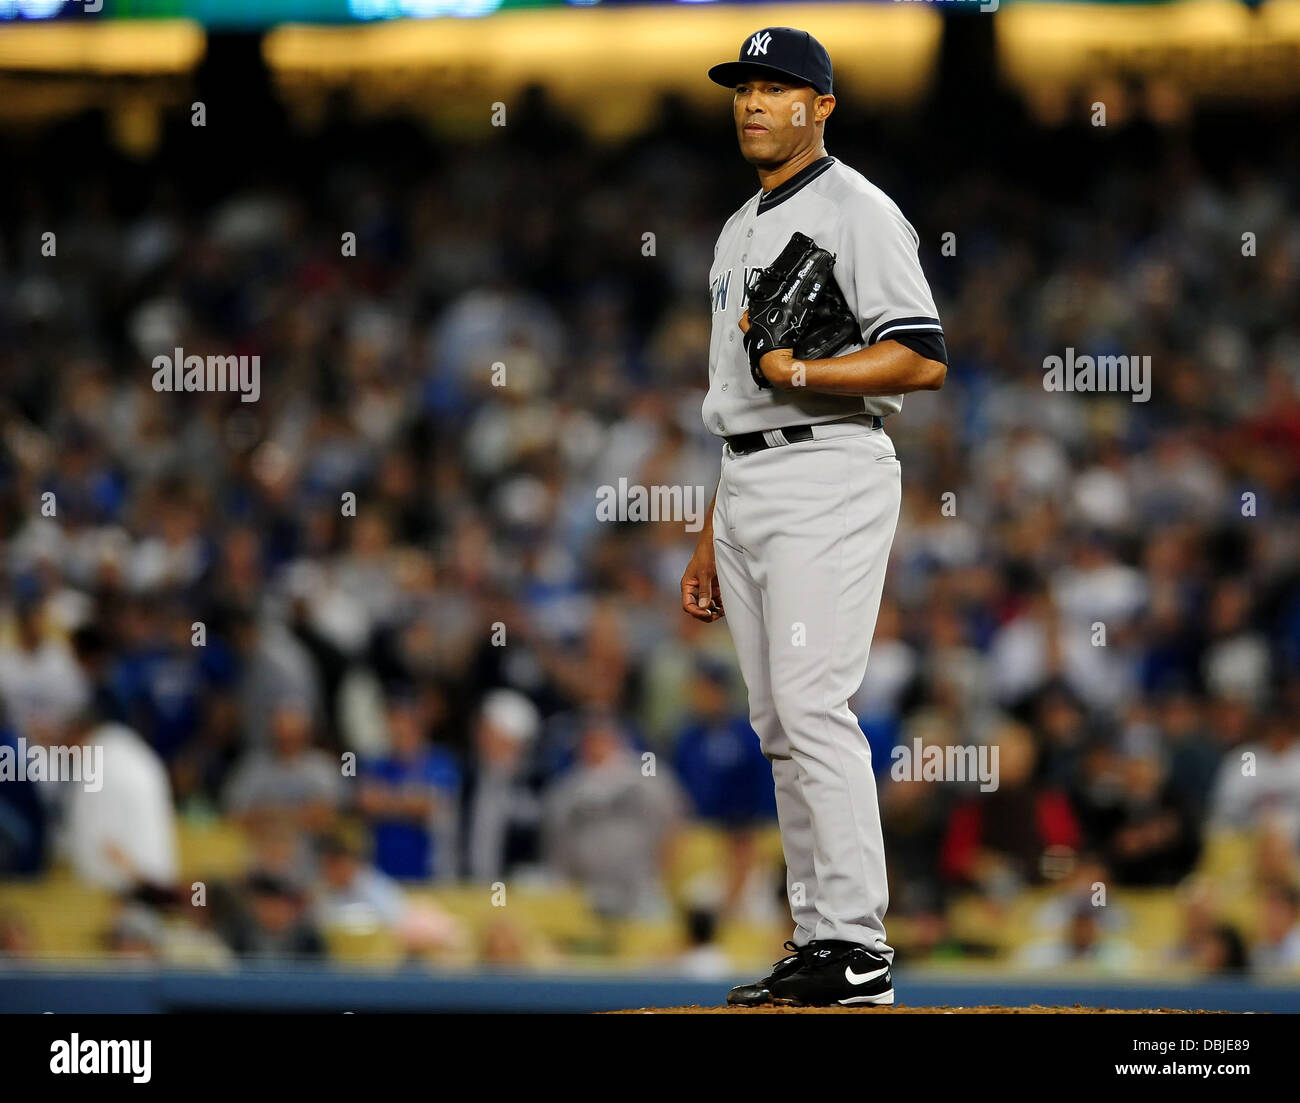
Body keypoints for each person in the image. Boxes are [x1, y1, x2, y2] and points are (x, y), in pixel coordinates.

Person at [681, 27, 947, 1008]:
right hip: (747, 475)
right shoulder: (735, 226)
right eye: (743, 87)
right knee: (774, 720)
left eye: (776, 87)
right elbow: (731, 396)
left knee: (809, 702)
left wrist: (808, 370)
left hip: (827, 465)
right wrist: (710, 530)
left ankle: (857, 948)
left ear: (821, 104)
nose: (754, 102)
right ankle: (819, 936)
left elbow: (919, 353)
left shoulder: (857, 209)